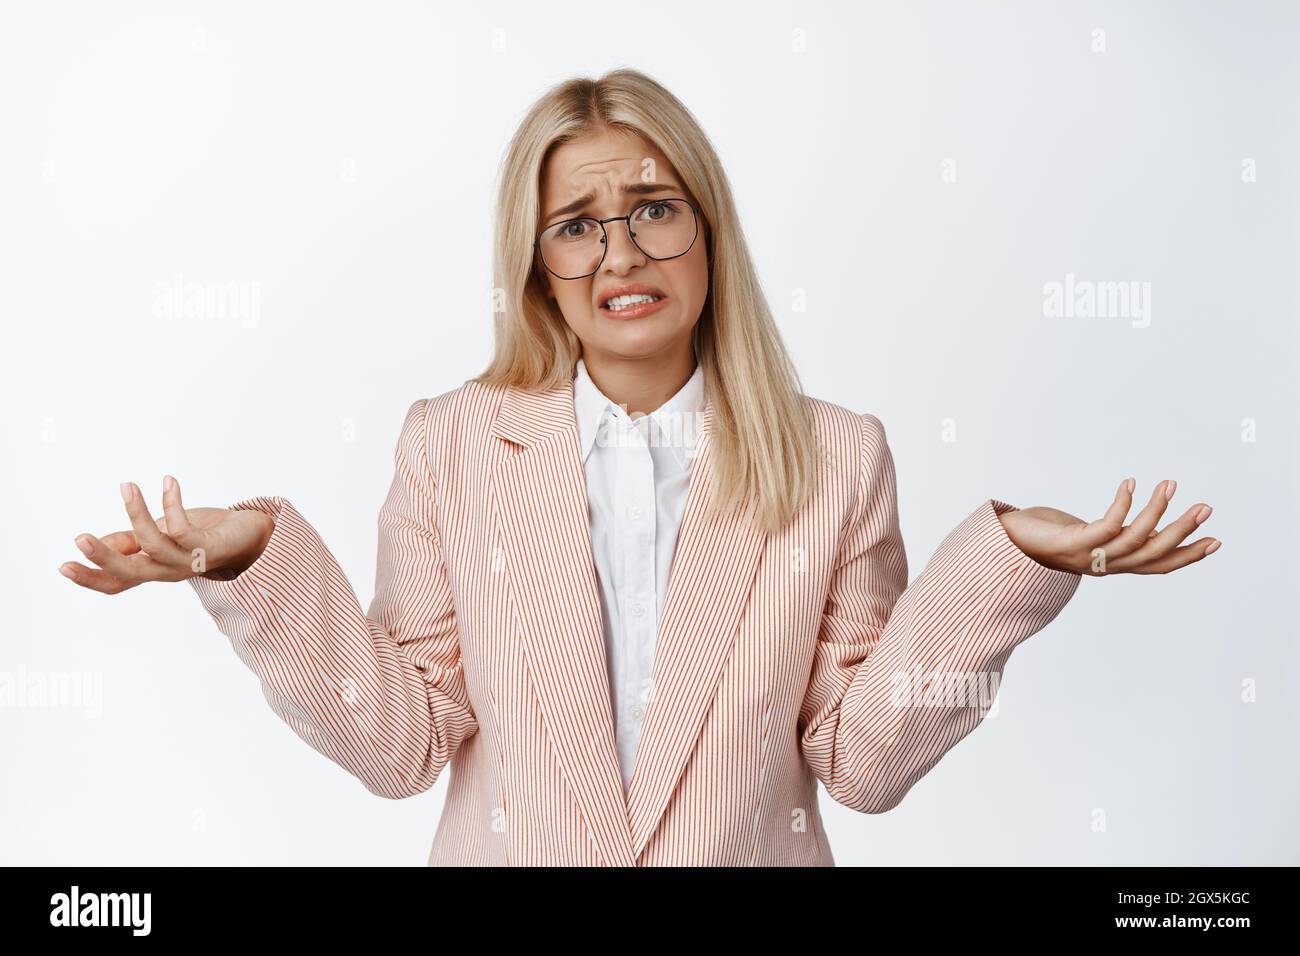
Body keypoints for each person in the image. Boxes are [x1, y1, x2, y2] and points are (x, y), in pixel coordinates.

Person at [59, 68, 1220, 866]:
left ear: (709, 231)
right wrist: (253, 559)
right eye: (578, 223)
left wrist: (1007, 568)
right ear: (537, 263)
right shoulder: (452, 443)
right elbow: (399, 741)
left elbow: (858, 758)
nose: (621, 251)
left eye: (655, 208)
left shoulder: (835, 455)